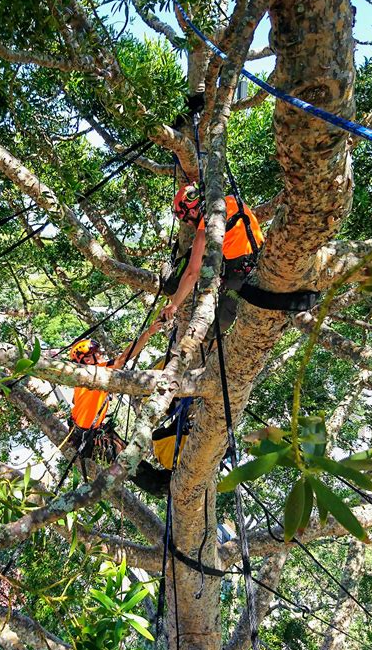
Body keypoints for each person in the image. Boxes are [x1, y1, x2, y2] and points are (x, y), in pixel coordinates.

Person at [68, 324, 173, 495]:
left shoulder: (82, 378)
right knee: (128, 460)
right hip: (90, 436)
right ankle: (158, 486)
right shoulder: (95, 374)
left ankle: (160, 481)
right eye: (96, 354)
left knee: (129, 455)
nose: (101, 355)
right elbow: (123, 358)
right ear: (87, 360)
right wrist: (147, 333)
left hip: (90, 433)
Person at [160, 183, 264, 336]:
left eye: (186, 219)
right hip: (260, 256)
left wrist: (174, 305)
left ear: (194, 211)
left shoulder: (204, 227)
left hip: (238, 272)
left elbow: (191, 274)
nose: (188, 223)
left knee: (212, 329)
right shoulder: (232, 199)